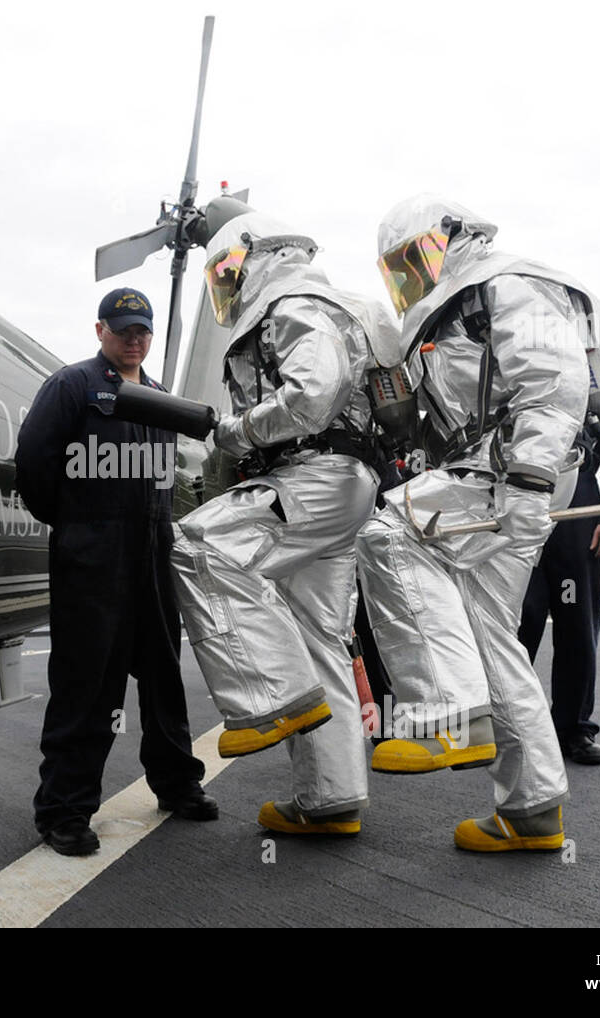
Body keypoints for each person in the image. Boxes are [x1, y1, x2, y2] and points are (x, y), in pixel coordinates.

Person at [355, 194, 600, 852]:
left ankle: (447, 715)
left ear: (449, 240)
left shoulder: (506, 283)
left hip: (512, 471)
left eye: (413, 260)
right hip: (505, 473)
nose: (408, 277)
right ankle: (531, 809)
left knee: (389, 535)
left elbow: (553, 385)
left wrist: (529, 480)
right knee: (490, 634)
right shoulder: (454, 310)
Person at [169, 209, 403, 835]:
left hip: (312, 477)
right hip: (345, 484)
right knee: (320, 635)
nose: (226, 288)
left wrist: (235, 431)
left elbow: (313, 394)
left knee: (200, 544)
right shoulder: (332, 306)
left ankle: (271, 699)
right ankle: (331, 799)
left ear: (258, 255)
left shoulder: (293, 304)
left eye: (227, 272)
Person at [15, 287, 216, 857]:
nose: (134, 339)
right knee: (86, 686)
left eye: (142, 330)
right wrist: (78, 524)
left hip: (152, 556)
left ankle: (176, 784)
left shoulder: (159, 398)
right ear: (100, 329)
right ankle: (64, 810)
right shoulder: (72, 386)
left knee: (164, 679)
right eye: (124, 328)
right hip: (93, 565)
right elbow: (33, 464)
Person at [519, 406, 600, 765]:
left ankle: (573, 729)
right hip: (518, 515)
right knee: (518, 625)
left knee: (576, 628)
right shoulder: (508, 375)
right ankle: (507, 724)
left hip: (574, 520)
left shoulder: (591, 383)